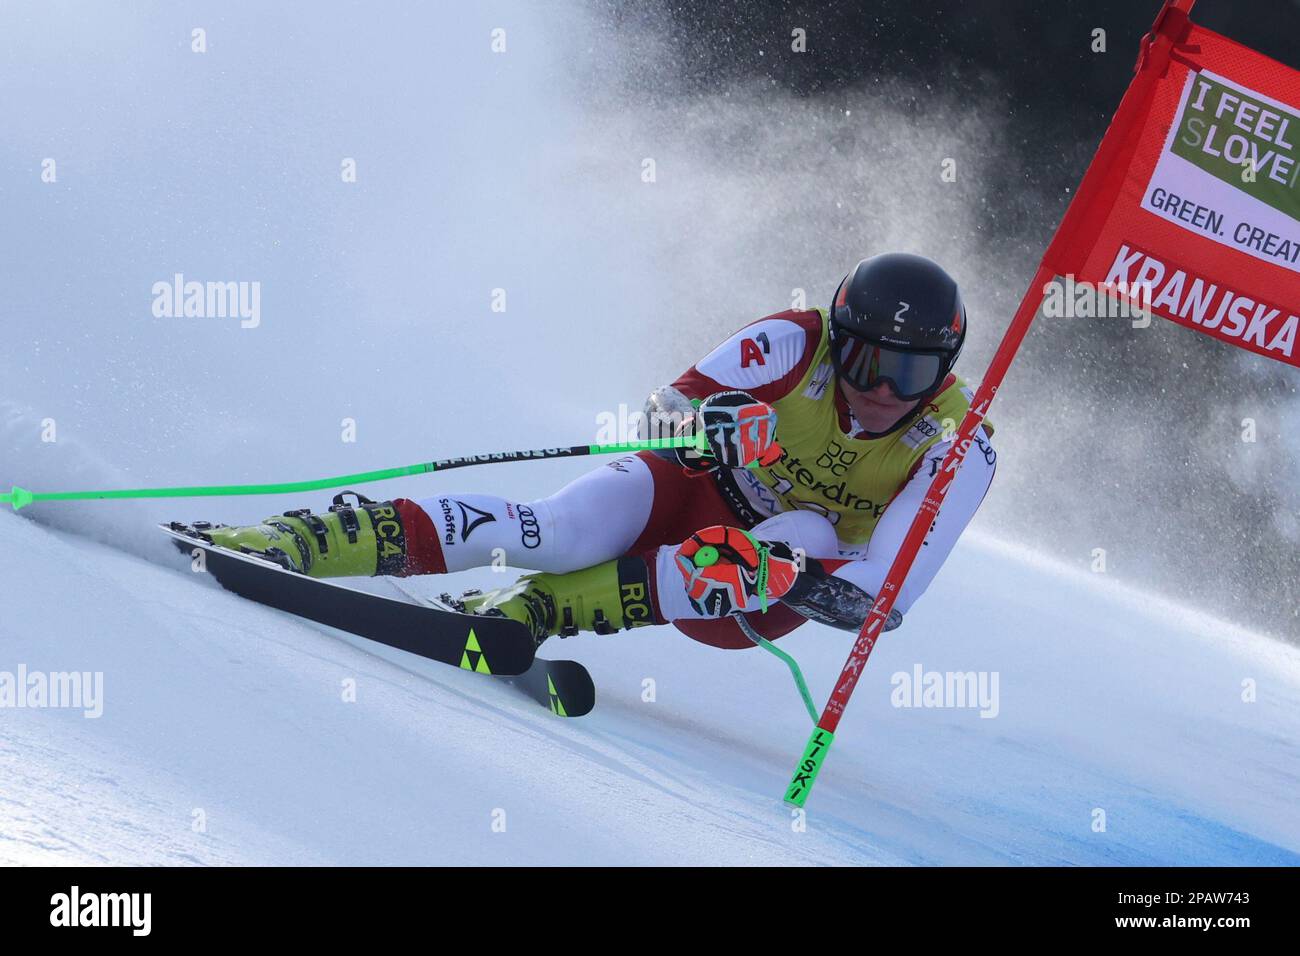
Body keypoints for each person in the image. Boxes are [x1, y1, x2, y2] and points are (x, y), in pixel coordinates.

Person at [199, 253, 997, 649]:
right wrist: (710, 424)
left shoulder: (958, 445)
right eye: (863, 360)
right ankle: (305, 538)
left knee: (805, 534)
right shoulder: (793, 340)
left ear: (946, 371)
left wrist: (790, 578)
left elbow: (883, 600)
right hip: (693, 491)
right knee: (557, 531)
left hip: (742, 601)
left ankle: (547, 607)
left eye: (911, 373)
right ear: (836, 338)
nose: (881, 389)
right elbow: (665, 412)